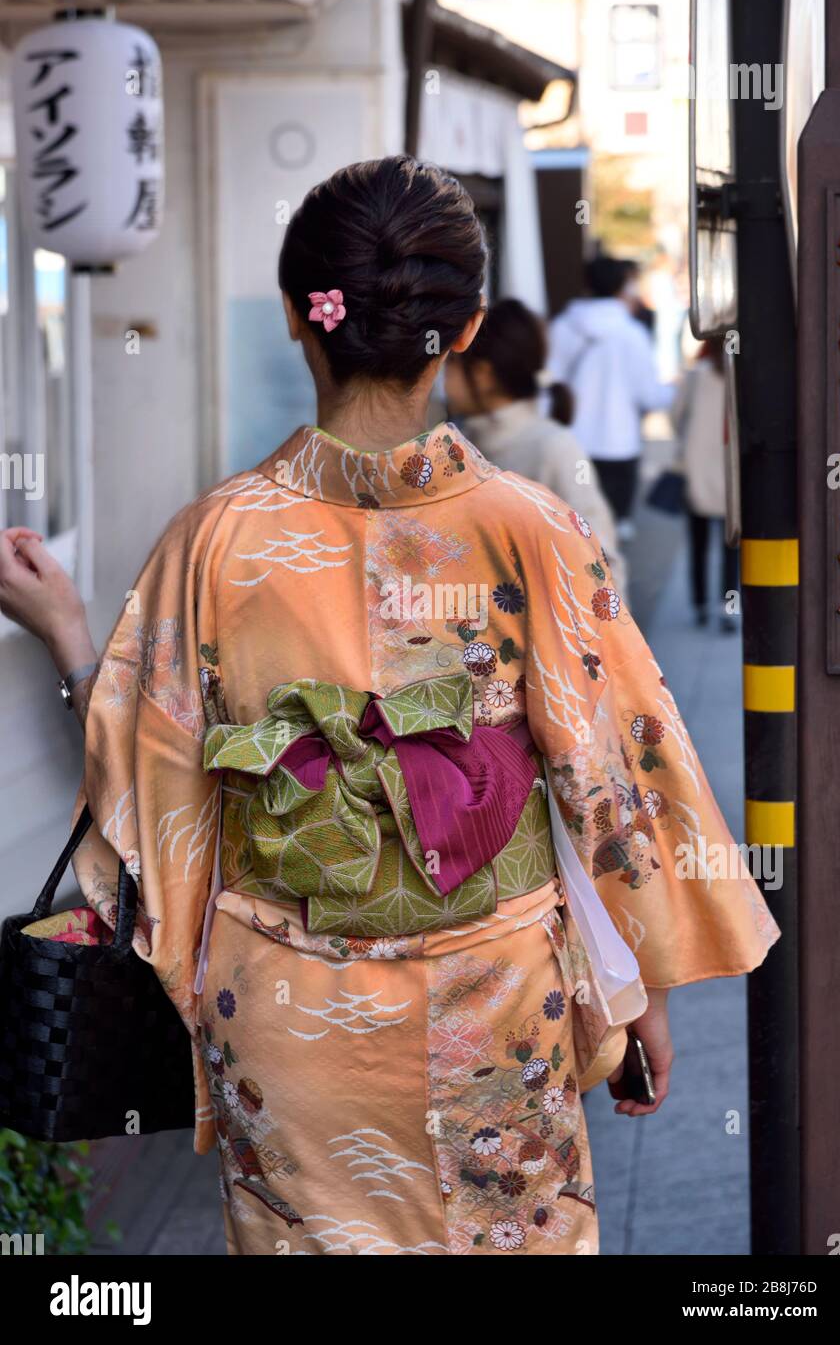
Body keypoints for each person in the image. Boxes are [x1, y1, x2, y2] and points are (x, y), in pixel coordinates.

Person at [0, 156, 779, 1257]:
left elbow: (144, 789)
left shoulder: (211, 541)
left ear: (296, 317)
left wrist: (71, 636)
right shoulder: (531, 527)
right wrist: (638, 981)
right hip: (495, 1005)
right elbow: (611, 771)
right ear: (460, 331)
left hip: (284, 1015)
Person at [444, 297, 627, 591]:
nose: (443, 377)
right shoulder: (458, 446)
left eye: (451, 363)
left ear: (483, 374)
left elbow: (603, 563)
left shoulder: (555, 448)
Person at [547, 254, 675, 538]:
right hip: (620, 449)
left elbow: (548, 384)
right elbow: (651, 396)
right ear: (622, 288)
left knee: (571, 532)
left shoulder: (563, 327)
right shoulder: (633, 334)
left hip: (570, 443)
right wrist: (675, 391)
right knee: (611, 537)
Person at [674, 337, 739, 630]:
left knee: (698, 543)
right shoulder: (742, 375)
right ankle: (728, 607)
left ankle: (700, 605)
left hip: (697, 467)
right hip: (730, 469)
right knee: (731, 545)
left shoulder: (695, 376)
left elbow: (675, 416)